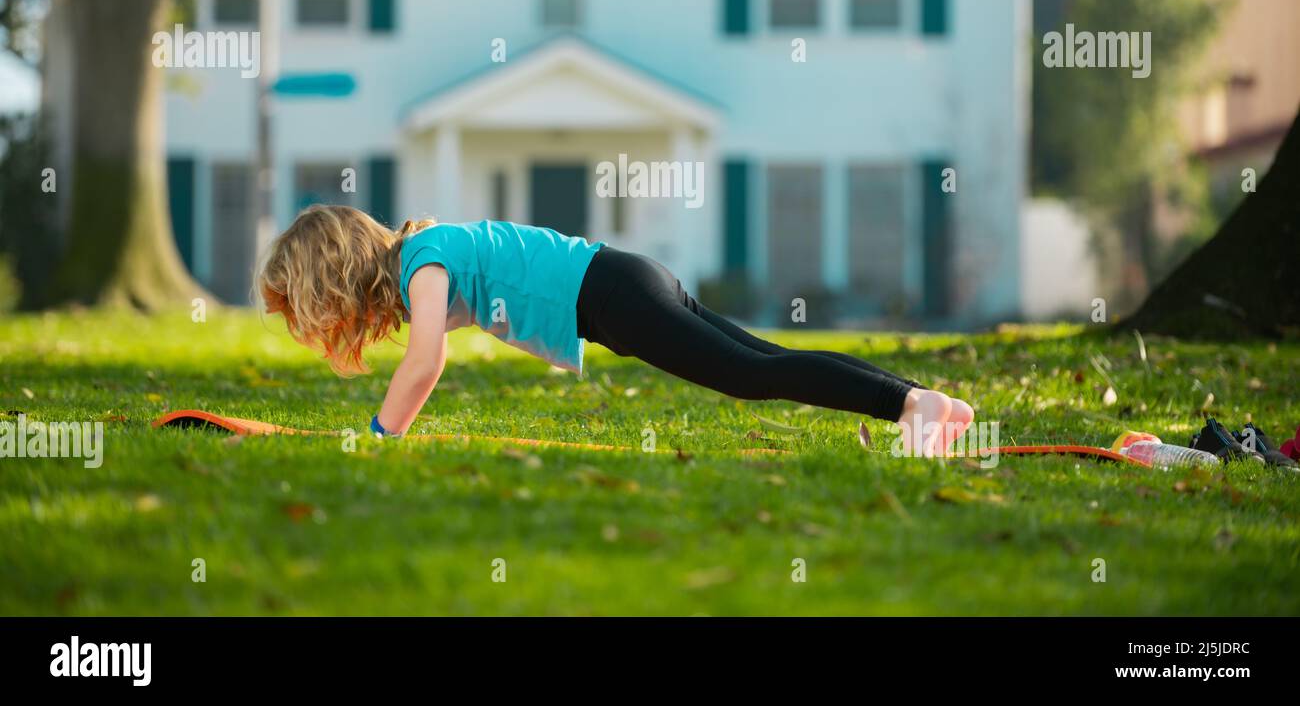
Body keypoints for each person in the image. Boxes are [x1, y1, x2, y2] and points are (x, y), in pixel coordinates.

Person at [257, 205, 973, 456]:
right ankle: (932, 405)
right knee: (766, 358)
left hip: (613, 294)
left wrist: (380, 439)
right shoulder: (424, 257)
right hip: (619, 284)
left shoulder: (422, 261)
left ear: (338, 273)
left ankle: (910, 405)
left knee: (752, 377)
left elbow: (424, 364)